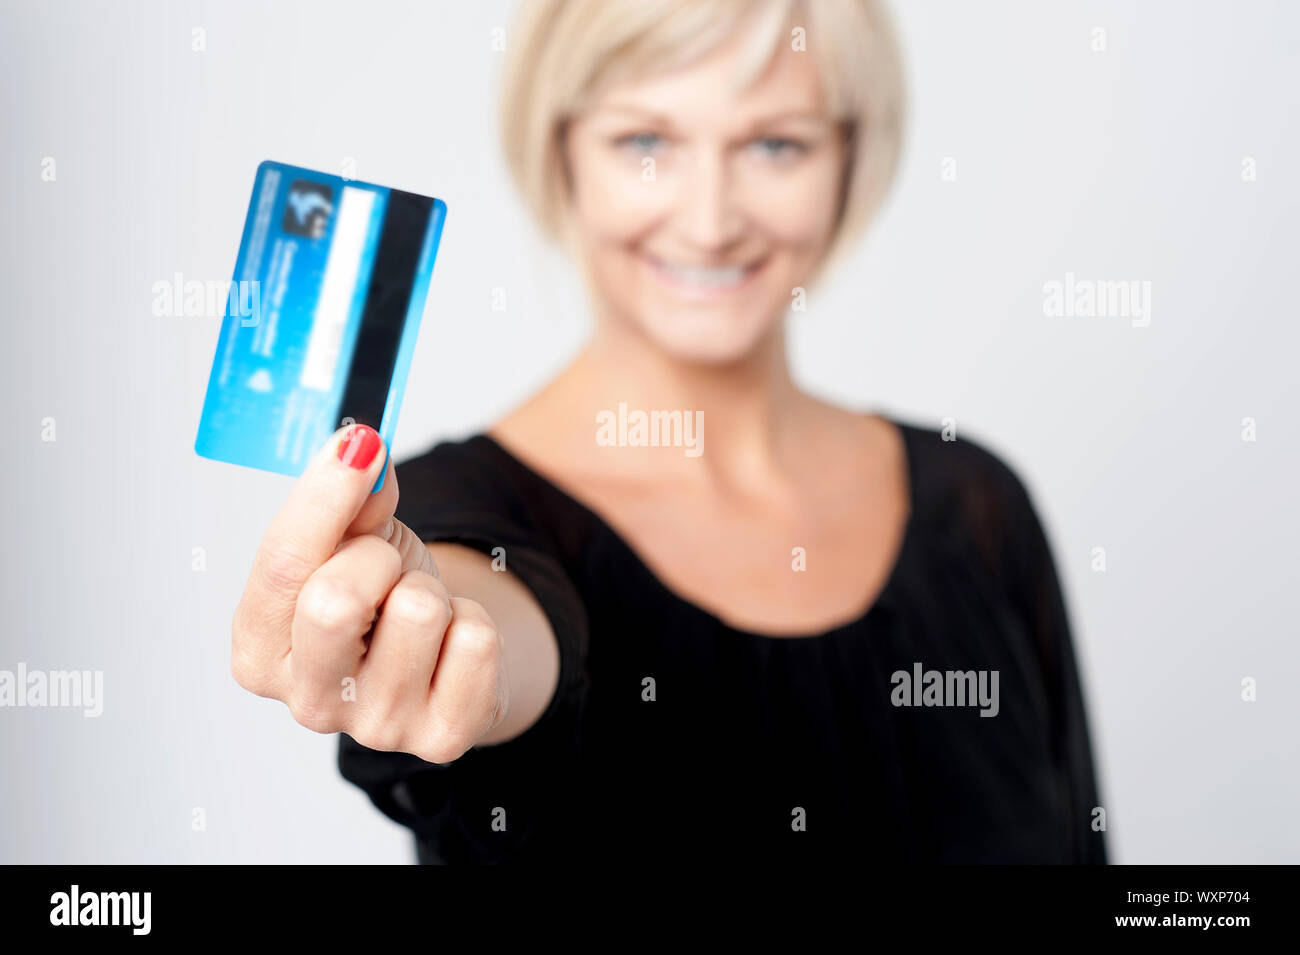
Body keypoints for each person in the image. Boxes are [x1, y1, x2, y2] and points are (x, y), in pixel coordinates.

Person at [230, 0, 1107, 863]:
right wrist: (438, 645)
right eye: (644, 143)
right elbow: (492, 627)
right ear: (562, 152)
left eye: (776, 144)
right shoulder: (465, 513)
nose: (710, 217)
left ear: (849, 159)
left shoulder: (977, 504)